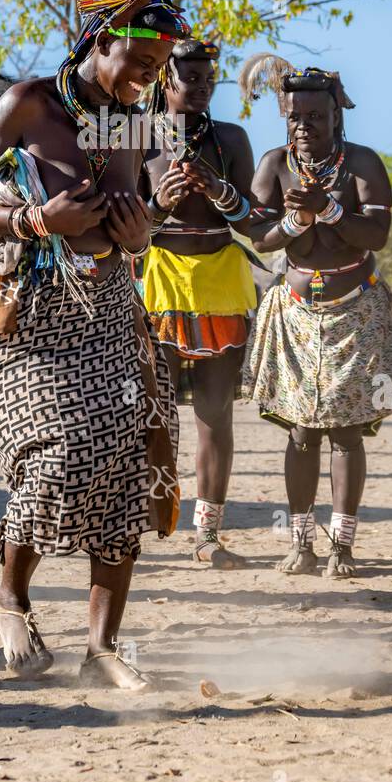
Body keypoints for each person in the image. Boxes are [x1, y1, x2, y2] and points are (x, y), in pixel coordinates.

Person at [0, 0, 185, 690]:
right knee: (58, 454)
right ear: (101, 39)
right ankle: (11, 600)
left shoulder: (132, 120)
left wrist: (144, 231)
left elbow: (127, 222)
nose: (154, 70)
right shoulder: (29, 102)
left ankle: (101, 645)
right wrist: (36, 221)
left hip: (108, 307)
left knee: (132, 457)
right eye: (144, 54)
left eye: (163, 60)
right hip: (24, 312)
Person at [243, 56, 392, 579]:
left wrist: (330, 210)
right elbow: (259, 235)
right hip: (294, 314)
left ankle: (343, 546)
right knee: (301, 434)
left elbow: (377, 235)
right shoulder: (273, 164)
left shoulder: (363, 164)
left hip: (355, 311)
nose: (303, 126)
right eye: (294, 116)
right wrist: (297, 219)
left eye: (314, 116)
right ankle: (301, 544)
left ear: (336, 116)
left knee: (347, 435)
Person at [140, 38, 256, 567]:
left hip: (220, 278)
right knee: (152, 408)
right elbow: (119, 213)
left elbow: (255, 218)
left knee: (215, 412)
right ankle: (146, 520)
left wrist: (219, 191)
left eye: (210, 78)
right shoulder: (135, 135)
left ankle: (207, 535)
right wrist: (159, 202)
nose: (204, 86)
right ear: (166, 80)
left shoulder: (230, 137)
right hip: (160, 276)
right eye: (192, 77)